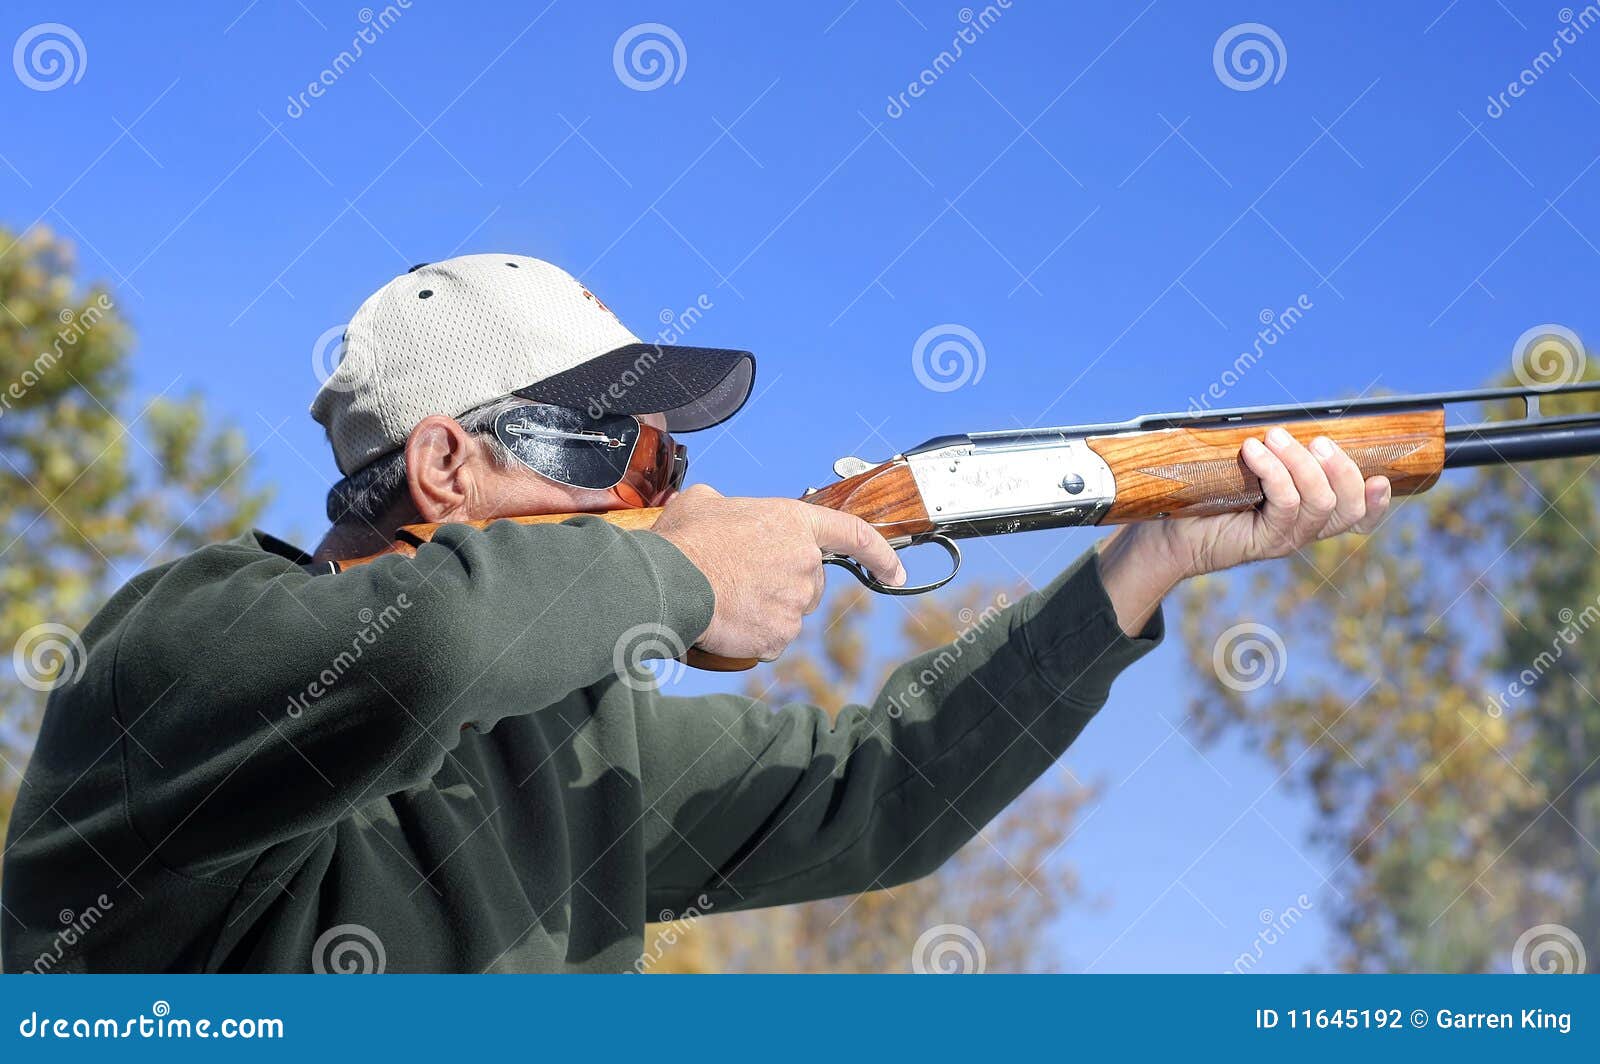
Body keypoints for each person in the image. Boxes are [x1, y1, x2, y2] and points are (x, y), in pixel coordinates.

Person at [0, 255, 1390, 973]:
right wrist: (687, 574)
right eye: (630, 454)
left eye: (670, 463)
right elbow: (426, 648)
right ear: (445, 465)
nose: (670, 491)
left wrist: (1140, 570)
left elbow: (884, 792)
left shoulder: (568, 746)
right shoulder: (182, 643)